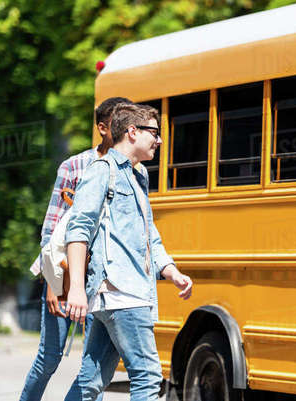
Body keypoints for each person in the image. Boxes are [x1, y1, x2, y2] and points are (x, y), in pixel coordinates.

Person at [65, 103, 193, 400]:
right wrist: (75, 290)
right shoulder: (102, 171)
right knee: (147, 377)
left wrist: (171, 272)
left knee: (92, 380)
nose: (159, 140)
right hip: (120, 291)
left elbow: (149, 236)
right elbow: (78, 230)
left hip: (123, 293)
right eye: (154, 133)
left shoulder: (139, 176)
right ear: (132, 132)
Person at [20, 97, 134, 401]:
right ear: (102, 128)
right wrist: (52, 284)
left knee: (92, 365)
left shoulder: (132, 170)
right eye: (121, 122)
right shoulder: (74, 166)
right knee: (50, 358)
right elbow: (51, 230)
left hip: (102, 281)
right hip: (66, 275)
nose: (129, 129)